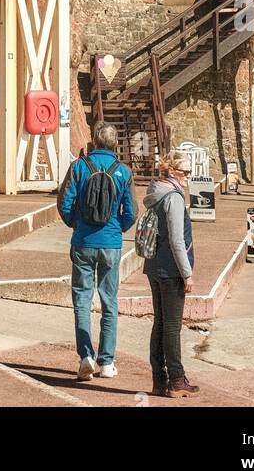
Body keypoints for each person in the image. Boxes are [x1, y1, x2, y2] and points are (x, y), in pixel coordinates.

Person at [57, 123, 135, 381]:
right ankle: (107, 362)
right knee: (109, 302)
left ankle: (85, 357)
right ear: (116, 144)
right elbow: (131, 212)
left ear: (93, 141)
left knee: (82, 300)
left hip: (83, 242)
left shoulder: (79, 167)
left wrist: (76, 224)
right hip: (111, 243)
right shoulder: (123, 172)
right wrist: (117, 229)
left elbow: (64, 202)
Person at [142, 150, 200, 398]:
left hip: (154, 266)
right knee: (173, 326)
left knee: (160, 323)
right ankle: (176, 379)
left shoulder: (155, 192)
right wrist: (187, 274)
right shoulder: (174, 198)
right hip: (170, 269)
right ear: (172, 171)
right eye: (185, 172)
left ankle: (159, 379)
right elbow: (177, 241)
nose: (189, 176)